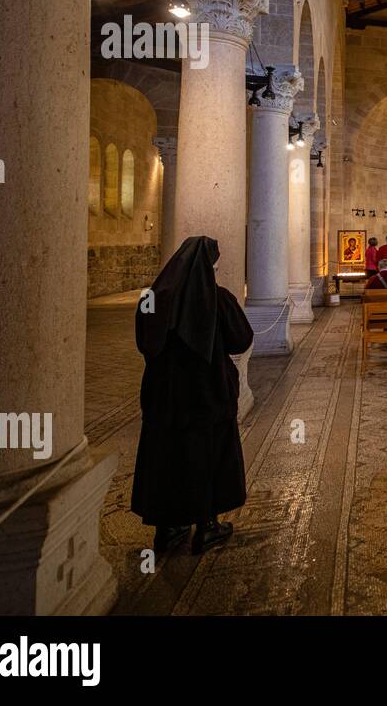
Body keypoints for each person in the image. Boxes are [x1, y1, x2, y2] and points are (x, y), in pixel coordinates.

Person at [131, 236, 252, 556]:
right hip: (206, 395)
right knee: (206, 456)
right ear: (208, 265)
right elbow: (241, 339)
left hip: (163, 397)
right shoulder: (217, 299)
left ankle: (167, 528)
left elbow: (144, 343)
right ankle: (207, 526)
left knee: (165, 456)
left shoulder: (151, 299)